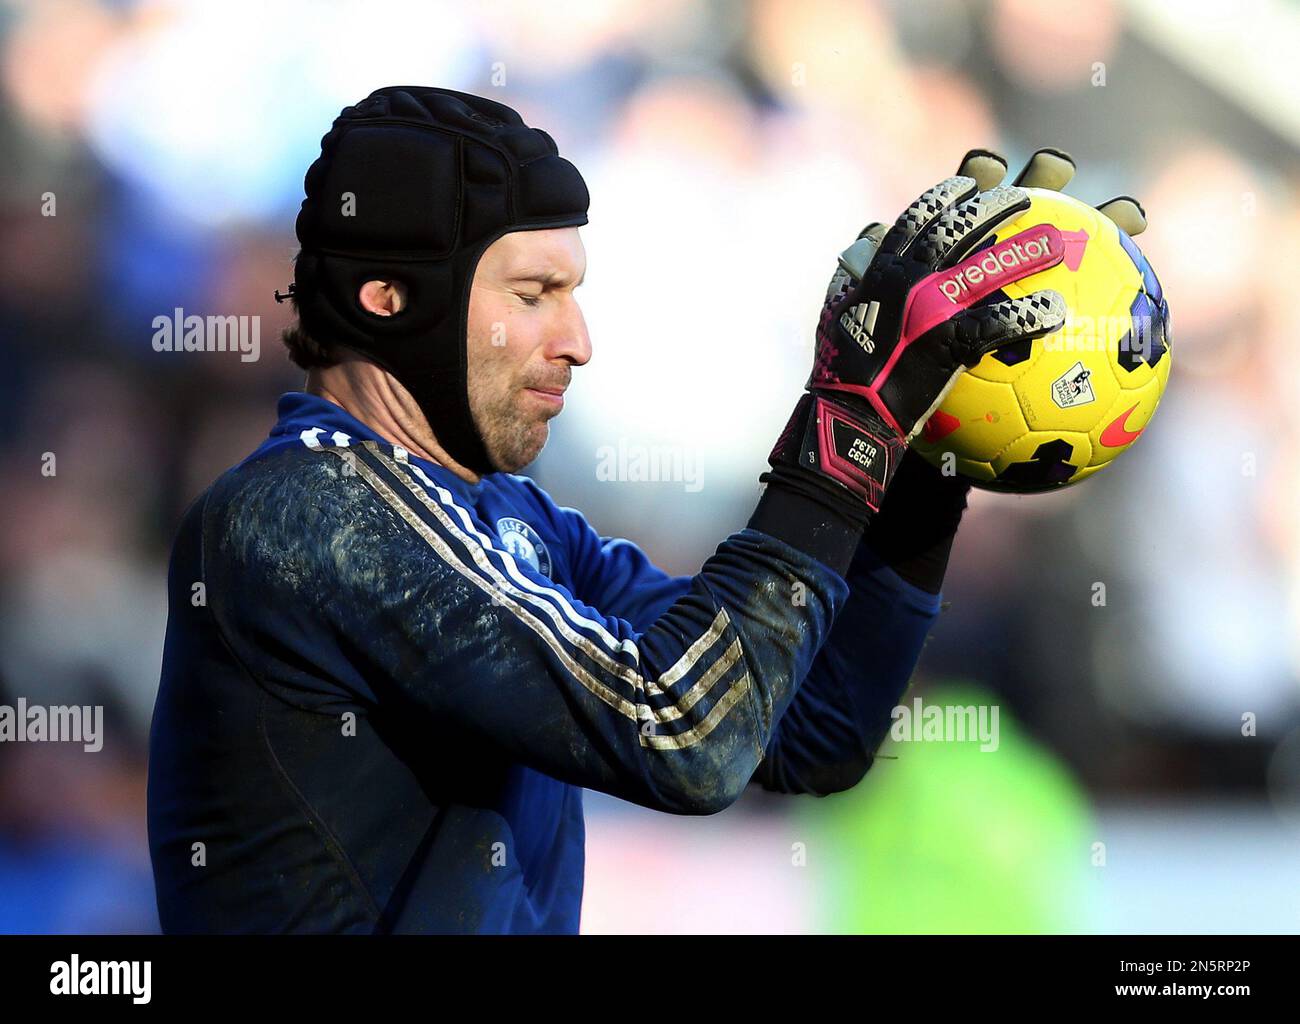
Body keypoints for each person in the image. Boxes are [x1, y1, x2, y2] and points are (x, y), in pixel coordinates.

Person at [146, 86, 1147, 934]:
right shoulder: (306, 515)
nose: (577, 340)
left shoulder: (510, 521)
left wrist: (927, 437)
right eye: (534, 292)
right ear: (388, 300)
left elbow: (807, 726)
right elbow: (685, 734)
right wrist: (848, 423)